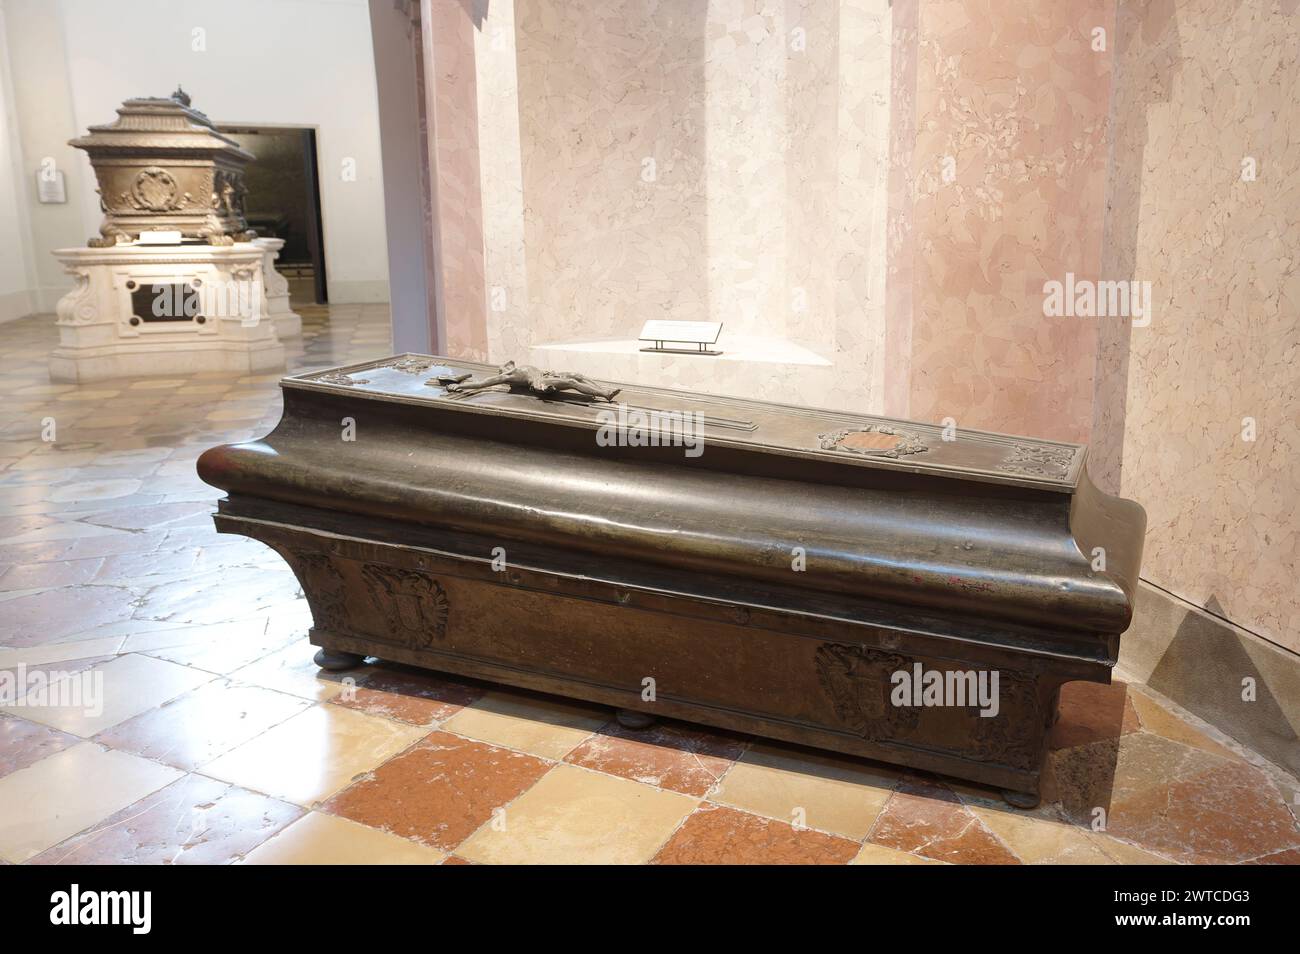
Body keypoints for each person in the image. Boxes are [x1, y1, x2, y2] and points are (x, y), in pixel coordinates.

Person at [447, 360, 621, 402]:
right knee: (572, 382)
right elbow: (482, 384)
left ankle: (602, 389)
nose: (508, 363)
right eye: (505, 366)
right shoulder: (508, 376)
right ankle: (604, 394)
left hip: (546, 375)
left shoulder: (519, 367)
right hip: (541, 384)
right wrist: (459, 385)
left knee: (578, 375)